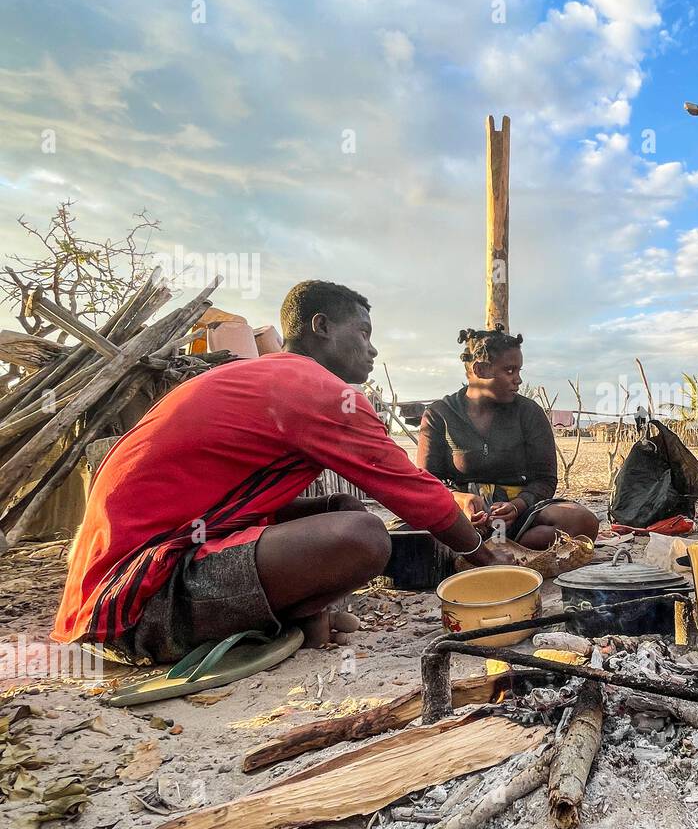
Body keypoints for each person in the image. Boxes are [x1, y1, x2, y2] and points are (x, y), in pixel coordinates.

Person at [54, 281, 499, 661]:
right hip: (130, 604)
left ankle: (295, 625)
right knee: (364, 536)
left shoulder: (258, 379)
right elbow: (412, 491)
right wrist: (483, 557)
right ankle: (266, 627)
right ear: (320, 327)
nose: (373, 348)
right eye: (363, 333)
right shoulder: (314, 390)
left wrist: (323, 505)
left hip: (114, 587)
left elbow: (220, 504)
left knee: (339, 509)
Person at [417, 326, 598, 550]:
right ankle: (492, 548)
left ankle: (495, 548)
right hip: (462, 516)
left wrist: (517, 506)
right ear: (480, 370)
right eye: (510, 371)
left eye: (519, 371)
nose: (518, 380)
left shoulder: (529, 412)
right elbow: (428, 482)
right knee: (411, 537)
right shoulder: (440, 413)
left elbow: (545, 479)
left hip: (519, 514)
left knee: (582, 521)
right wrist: (460, 500)